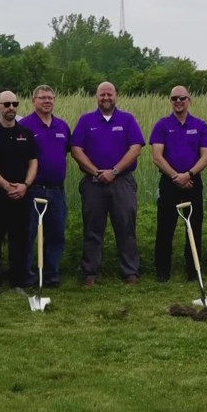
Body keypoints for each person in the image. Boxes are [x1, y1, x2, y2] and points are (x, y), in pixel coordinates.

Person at [71, 82, 145, 287]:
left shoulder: (127, 119)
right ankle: (90, 273)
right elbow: (76, 150)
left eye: (109, 94)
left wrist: (114, 171)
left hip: (122, 181)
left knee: (126, 227)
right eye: (102, 94)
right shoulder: (86, 121)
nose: (106, 97)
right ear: (96, 97)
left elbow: (136, 148)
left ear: (116, 96)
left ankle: (130, 272)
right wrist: (96, 171)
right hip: (93, 182)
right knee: (92, 228)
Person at [0, 90, 39, 297]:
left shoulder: (26, 133)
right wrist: (6, 186)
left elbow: (33, 161)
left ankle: (18, 281)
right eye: (7, 104)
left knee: (20, 239)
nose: (11, 108)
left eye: (15, 104)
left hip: (21, 196)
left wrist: (25, 185)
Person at [149, 86, 207, 282]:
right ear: (171, 101)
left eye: (182, 98)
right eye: (174, 98)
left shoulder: (200, 125)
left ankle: (194, 271)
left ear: (189, 100)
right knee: (165, 228)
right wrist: (176, 176)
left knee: (194, 227)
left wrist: (188, 175)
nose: (178, 101)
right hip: (169, 182)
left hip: (193, 181)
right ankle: (162, 272)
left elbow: (206, 156)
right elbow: (157, 157)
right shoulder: (162, 125)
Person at [18, 85, 70, 289]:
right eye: (42, 98)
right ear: (34, 101)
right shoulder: (24, 126)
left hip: (57, 190)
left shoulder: (62, 126)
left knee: (56, 234)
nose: (47, 101)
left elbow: (66, 152)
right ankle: (28, 275)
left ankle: (51, 274)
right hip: (34, 189)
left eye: (50, 98)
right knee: (29, 234)